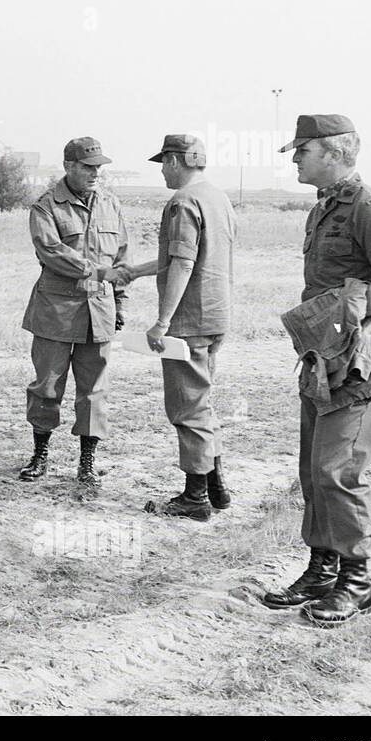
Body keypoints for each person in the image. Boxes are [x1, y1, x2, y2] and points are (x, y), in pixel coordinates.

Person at [261, 115, 371, 626]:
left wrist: (338, 316)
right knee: (313, 471)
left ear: (331, 151)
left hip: (359, 359)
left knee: (339, 472)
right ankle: (321, 568)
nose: (294, 158)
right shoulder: (326, 209)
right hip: (324, 360)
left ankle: (357, 581)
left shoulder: (369, 208)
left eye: (301, 150)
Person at [119, 135, 237, 519]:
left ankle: (195, 497)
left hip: (189, 320)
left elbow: (184, 264)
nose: (163, 172)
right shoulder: (217, 198)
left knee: (188, 408)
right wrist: (135, 272)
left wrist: (162, 322)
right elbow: (182, 259)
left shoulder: (183, 201)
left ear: (175, 161)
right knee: (202, 402)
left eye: (164, 163)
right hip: (215, 315)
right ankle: (215, 485)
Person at [18, 137, 128, 497]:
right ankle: (40, 454)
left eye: (99, 167)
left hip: (99, 311)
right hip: (56, 311)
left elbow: (122, 259)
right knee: (47, 387)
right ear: (68, 166)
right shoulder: (46, 206)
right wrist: (96, 271)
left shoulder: (111, 205)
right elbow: (51, 251)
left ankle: (87, 463)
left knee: (94, 391)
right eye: (87, 167)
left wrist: (120, 302)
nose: (95, 173)